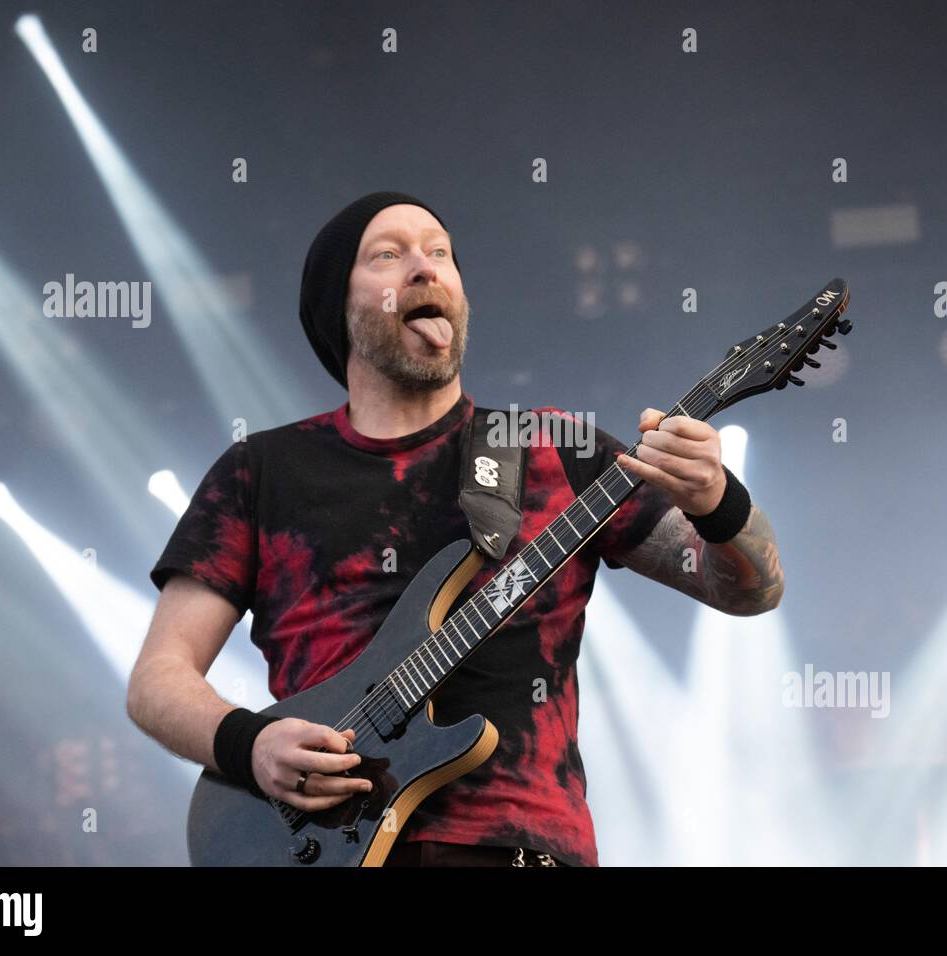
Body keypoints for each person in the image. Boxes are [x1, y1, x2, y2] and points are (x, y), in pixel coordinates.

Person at [126, 191, 785, 867]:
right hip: (318, 846)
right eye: (389, 254)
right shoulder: (261, 471)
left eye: (439, 252)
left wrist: (716, 499)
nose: (424, 267)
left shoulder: (550, 449)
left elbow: (748, 589)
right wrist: (251, 745)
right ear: (338, 306)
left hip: (520, 845)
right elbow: (157, 680)